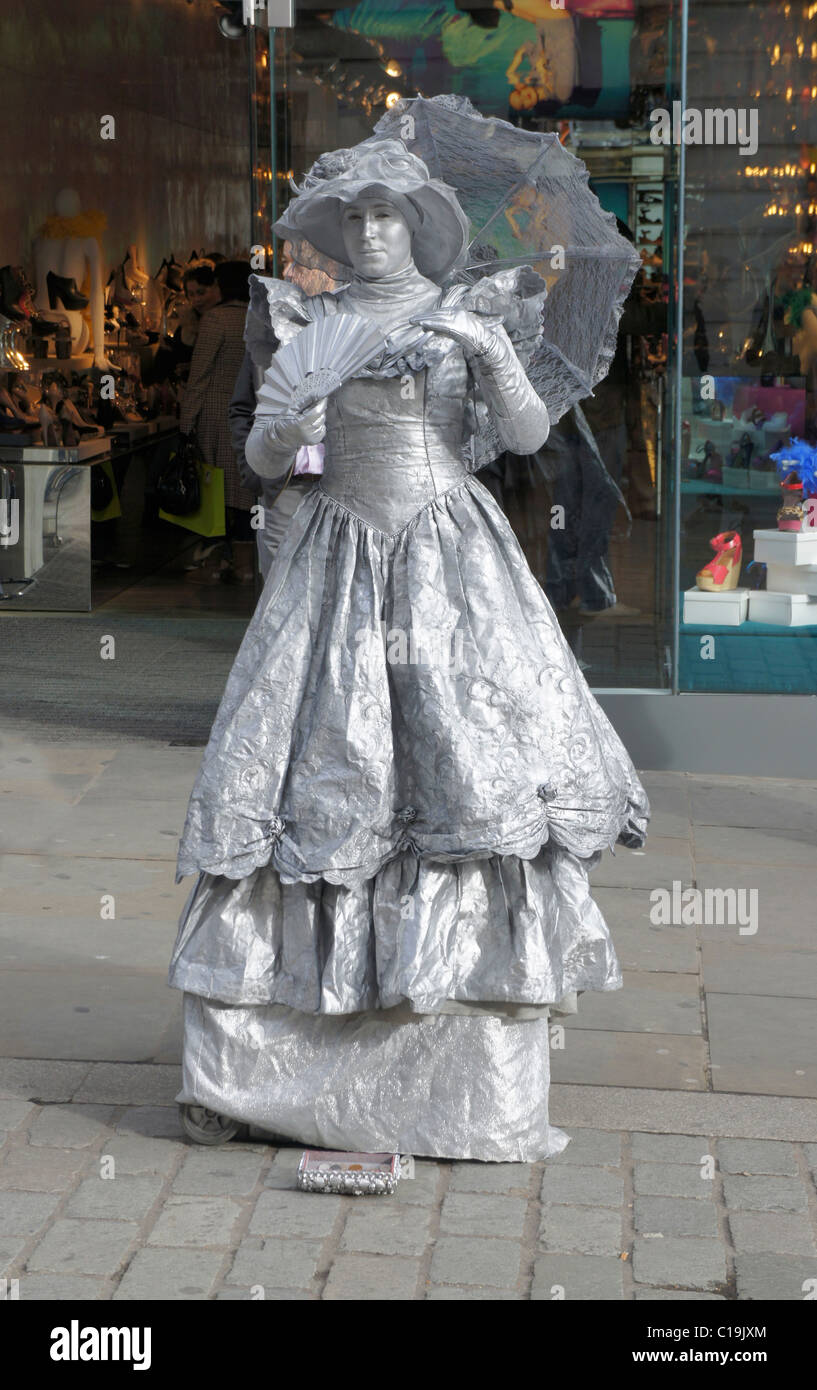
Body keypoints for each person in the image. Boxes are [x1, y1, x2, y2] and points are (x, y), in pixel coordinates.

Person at [169, 136, 649, 1162]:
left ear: (421, 223)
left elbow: (522, 439)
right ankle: (280, 1050)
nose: (369, 232)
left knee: (462, 766)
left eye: (386, 215)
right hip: (334, 550)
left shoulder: (467, 316)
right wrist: (284, 418)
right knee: (316, 775)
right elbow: (266, 456)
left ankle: (459, 1056)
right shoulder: (311, 321)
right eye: (352, 217)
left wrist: (488, 353)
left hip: (445, 549)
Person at [179, 258, 256, 584]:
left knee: (217, 490)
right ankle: (245, 564)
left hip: (216, 415)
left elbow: (199, 377)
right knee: (244, 493)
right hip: (251, 413)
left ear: (222, 285)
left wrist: (185, 425)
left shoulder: (216, 320)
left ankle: (223, 561)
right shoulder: (258, 318)